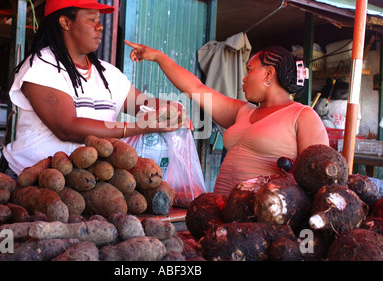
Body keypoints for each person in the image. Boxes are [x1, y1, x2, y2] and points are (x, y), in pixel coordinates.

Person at [2, 0, 186, 177]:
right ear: (65, 22)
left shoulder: (108, 73)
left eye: (99, 20)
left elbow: (144, 104)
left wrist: (174, 109)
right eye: (91, 20)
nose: (100, 26)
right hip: (31, 179)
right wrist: (138, 127)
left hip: (85, 182)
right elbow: (67, 127)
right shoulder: (41, 66)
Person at [125, 40, 329, 196]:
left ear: (269, 73)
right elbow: (196, 88)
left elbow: (317, 179)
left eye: (249, 70)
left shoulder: (303, 116)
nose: (244, 77)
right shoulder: (243, 111)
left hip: (265, 222)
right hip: (221, 213)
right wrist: (160, 57)